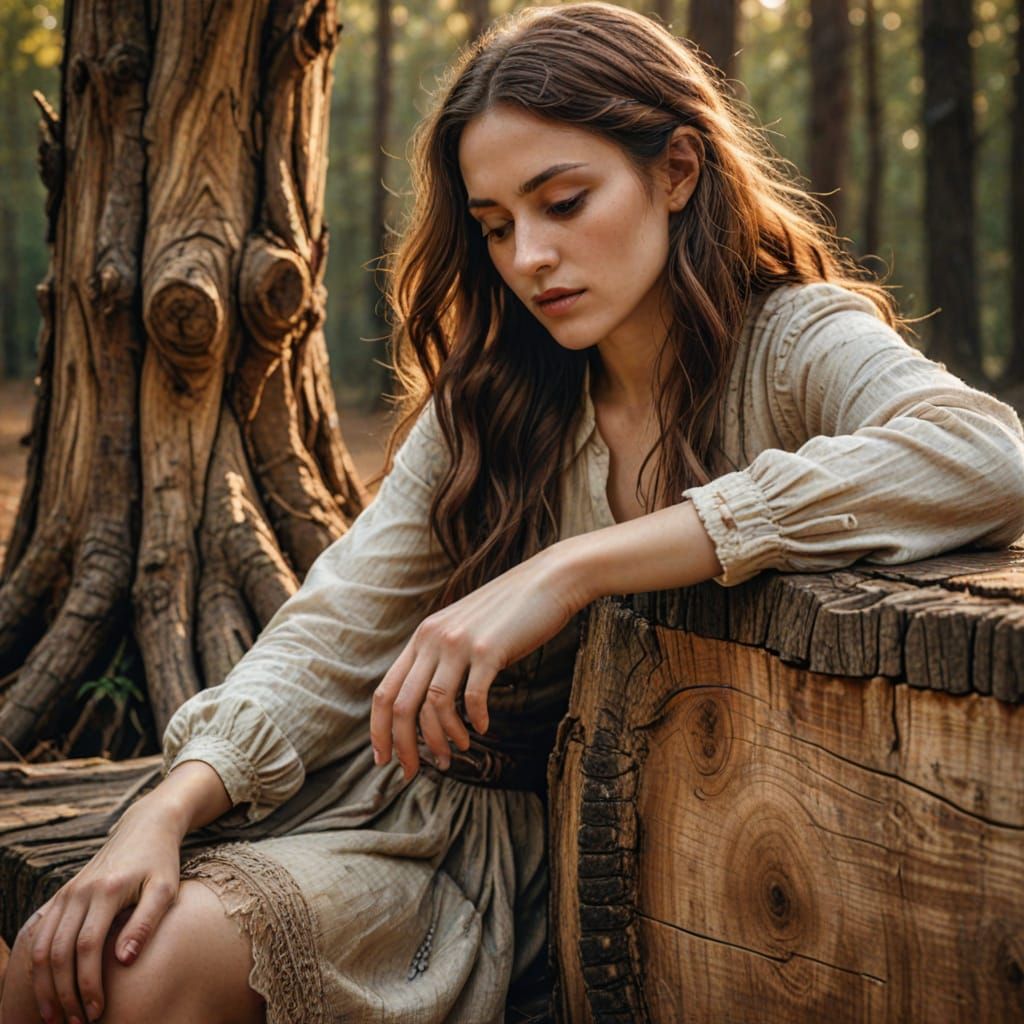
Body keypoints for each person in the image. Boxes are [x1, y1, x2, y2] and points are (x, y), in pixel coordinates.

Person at [4, 3, 1024, 1022]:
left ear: (675, 170)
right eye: (495, 226)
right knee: (58, 963)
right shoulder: (491, 402)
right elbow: (333, 627)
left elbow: (983, 453)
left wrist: (572, 567)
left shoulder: (792, 342)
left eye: (564, 201)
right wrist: (164, 810)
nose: (530, 255)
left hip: (566, 870)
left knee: (139, 973)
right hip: (387, 812)